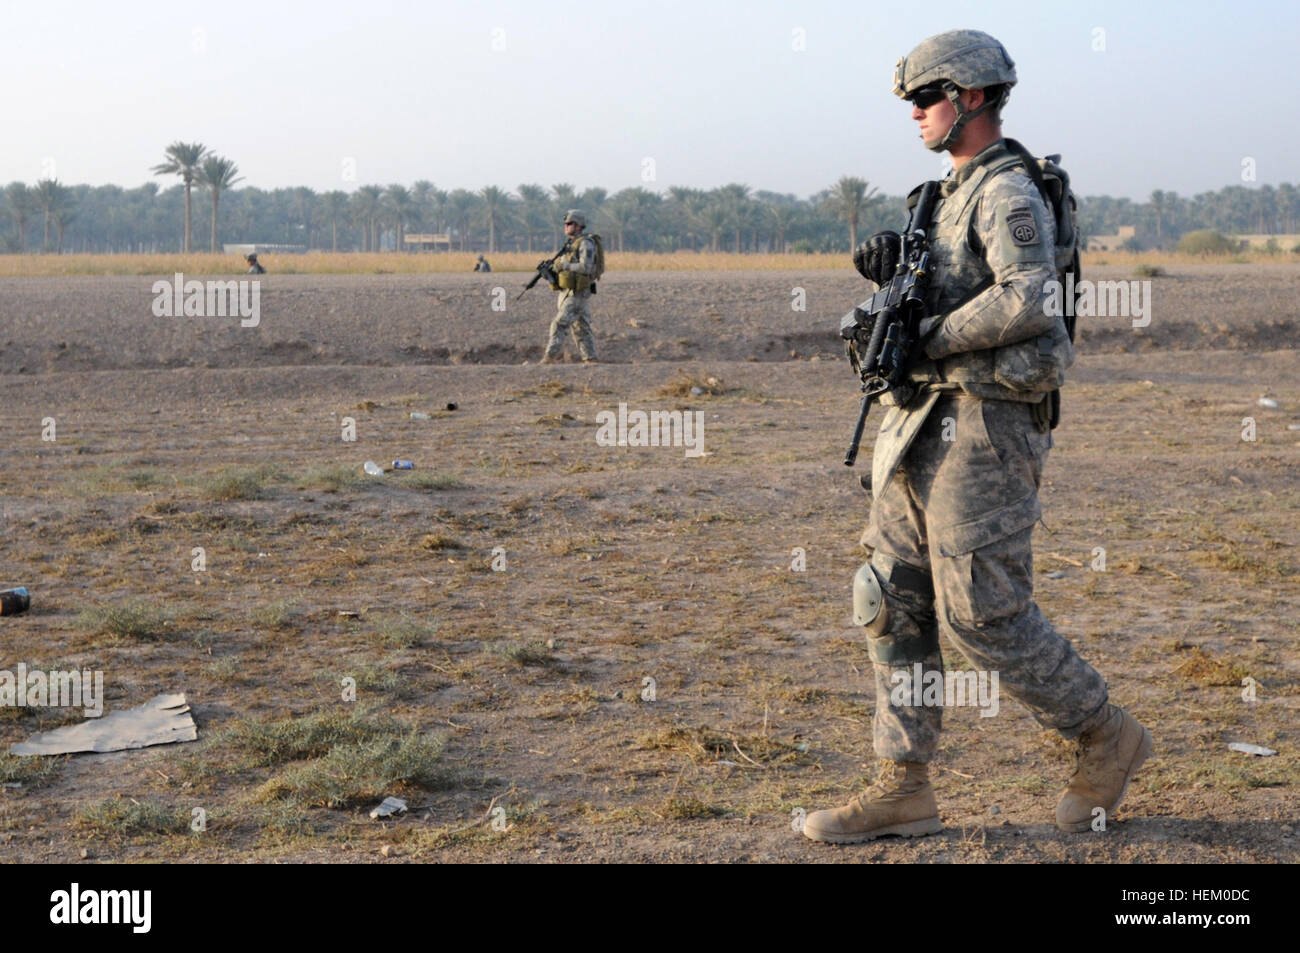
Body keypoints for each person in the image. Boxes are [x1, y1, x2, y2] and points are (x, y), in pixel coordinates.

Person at [803, 29, 1152, 844]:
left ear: (969, 97)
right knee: (892, 600)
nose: (914, 113)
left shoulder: (1006, 191)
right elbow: (943, 290)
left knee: (983, 613)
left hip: (987, 422)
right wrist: (893, 284)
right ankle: (904, 785)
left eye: (925, 98)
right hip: (920, 418)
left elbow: (1029, 299)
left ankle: (1106, 735)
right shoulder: (946, 194)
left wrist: (929, 333)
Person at [540, 209, 598, 364]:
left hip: (578, 293)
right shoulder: (570, 244)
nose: (566, 226)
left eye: (570, 223)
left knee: (559, 324)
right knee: (582, 328)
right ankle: (591, 359)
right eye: (565, 223)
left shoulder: (586, 243)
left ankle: (550, 357)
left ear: (579, 225)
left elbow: (587, 267)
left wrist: (566, 266)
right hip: (568, 292)